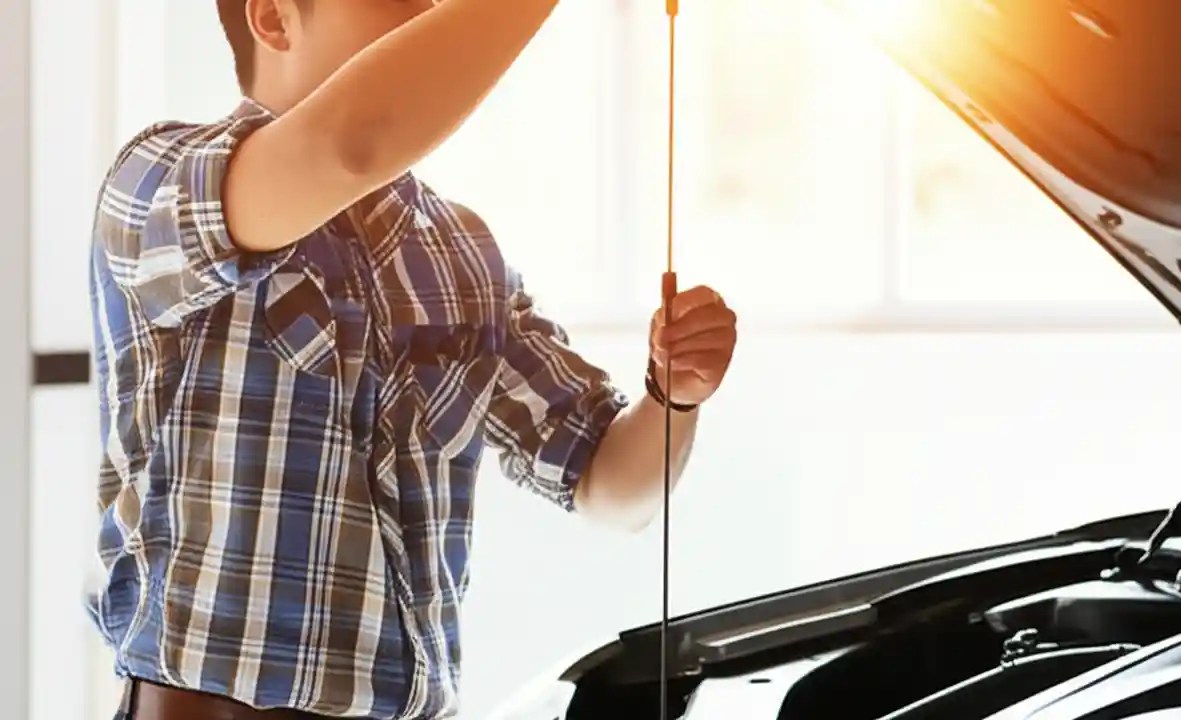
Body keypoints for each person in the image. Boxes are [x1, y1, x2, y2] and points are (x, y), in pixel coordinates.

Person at [86, 1, 738, 718]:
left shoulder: (460, 252)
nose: (428, 13)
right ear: (273, 18)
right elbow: (351, 145)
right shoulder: (157, 182)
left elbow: (613, 488)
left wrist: (673, 396)